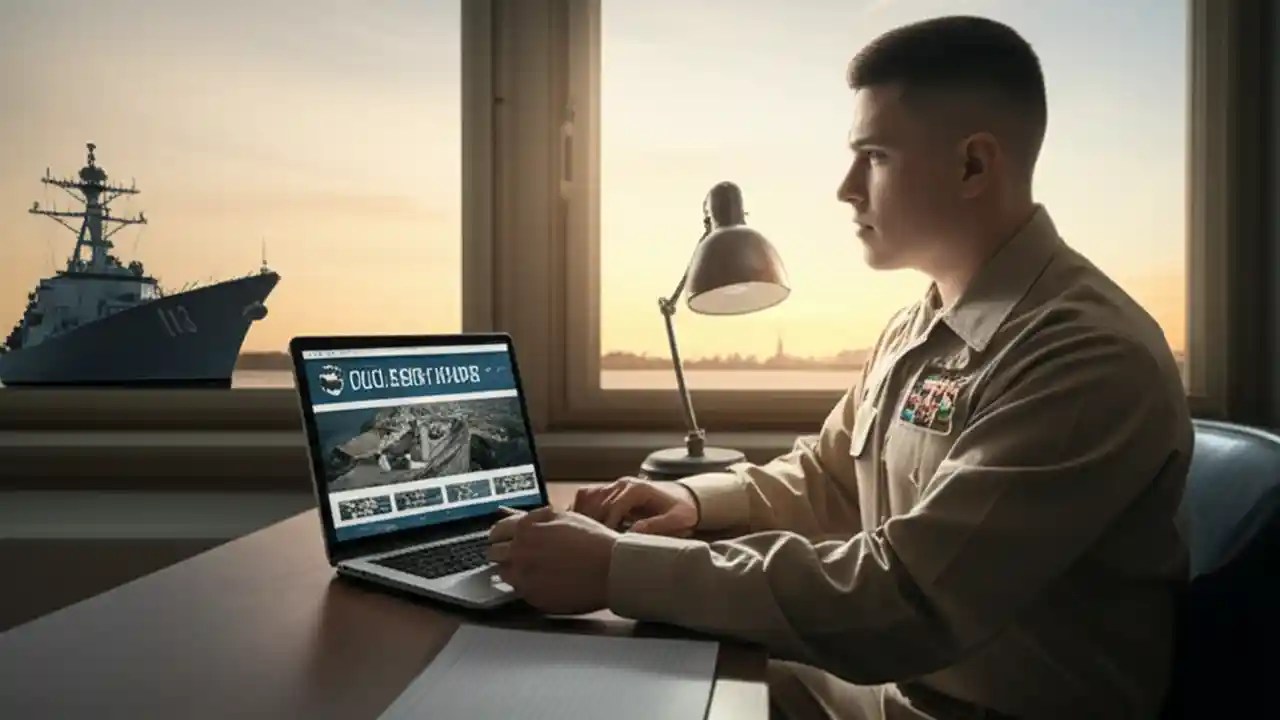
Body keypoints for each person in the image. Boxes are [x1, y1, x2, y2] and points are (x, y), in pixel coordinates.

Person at [487, 15, 1191, 720]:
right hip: (887, 695)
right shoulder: (919, 327)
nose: (846, 187)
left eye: (874, 156)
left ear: (974, 164)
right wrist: (694, 502)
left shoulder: (1083, 354)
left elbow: (908, 598)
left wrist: (616, 569)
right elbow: (828, 475)